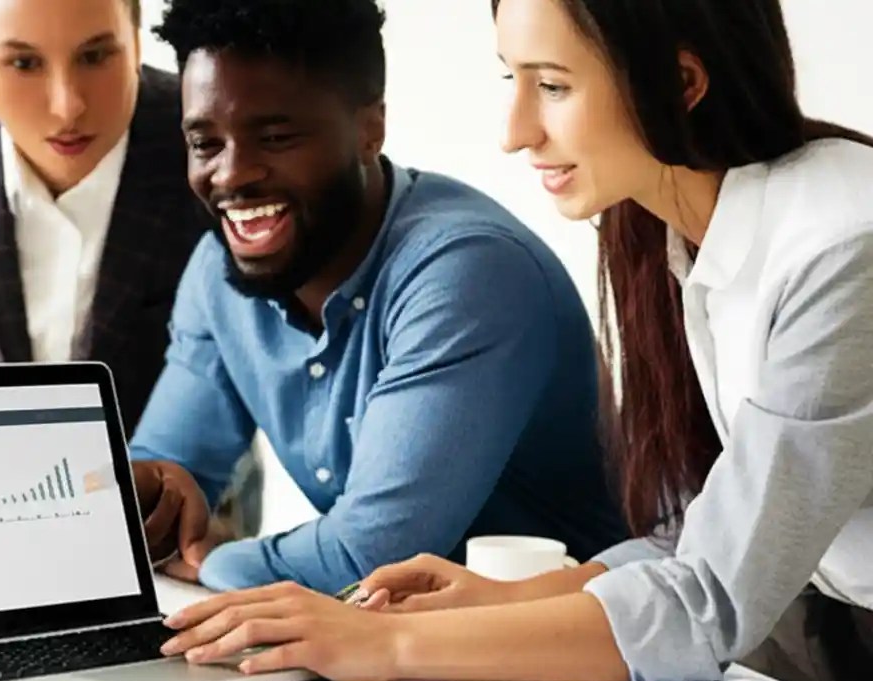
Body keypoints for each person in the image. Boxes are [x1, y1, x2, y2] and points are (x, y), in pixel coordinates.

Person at [157, 0, 873, 681]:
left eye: (553, 86)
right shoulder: (664, 231)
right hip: (820, 633)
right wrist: (505, 599)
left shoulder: (841, 245)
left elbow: (708, 598)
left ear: (681, 83)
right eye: (513, 80)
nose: (514, 132)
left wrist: (382, 645)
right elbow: (703, 532)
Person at [128, 0, 625, 595]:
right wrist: (153, 499)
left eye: (276, 136)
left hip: (572, 654)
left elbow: (371, 551)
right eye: (206, 144)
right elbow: (166, 471)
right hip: (387, 652)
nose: (231, 175)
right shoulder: (221, 271)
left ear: (371, 129)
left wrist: (215, 562)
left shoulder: (467, 270)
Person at [0, 0, 206, 440]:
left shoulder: (213, 147)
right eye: (24, 63)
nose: (67, 107)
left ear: (137, 42)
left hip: (182, 481)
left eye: (94, 57)